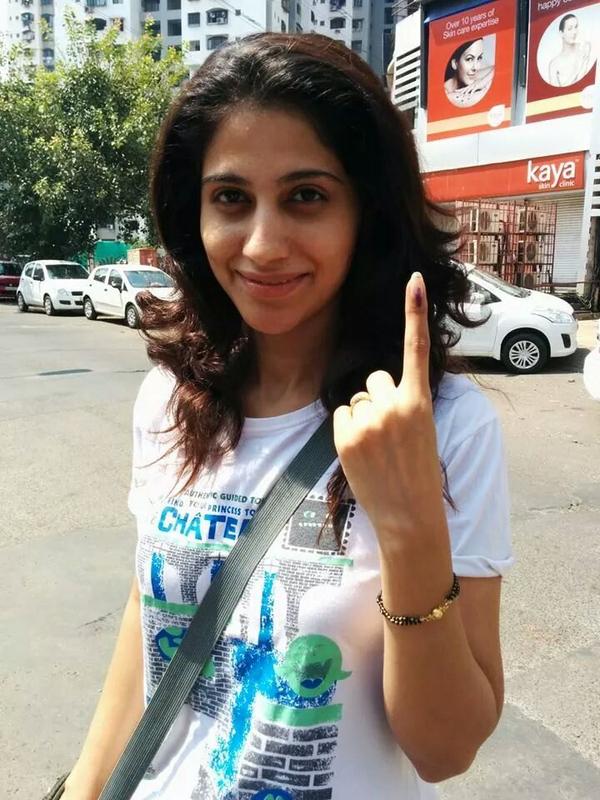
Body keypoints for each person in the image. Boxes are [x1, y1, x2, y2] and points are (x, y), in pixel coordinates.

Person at [62, 33, 512, 800]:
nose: (264, 245)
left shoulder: (445, 426)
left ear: (366, 213)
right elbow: (149, 632)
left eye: (306, 196)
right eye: (231, 199)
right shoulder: (171, 400)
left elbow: (444, 751)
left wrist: (409, 527)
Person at [444, 38, 495, 108]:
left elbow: (499, 67)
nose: (476, 67)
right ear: (455, 63)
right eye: (469, 59)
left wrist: (482, 82)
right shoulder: (446, 94)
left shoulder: (473, 77)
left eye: (479, 58)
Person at [548, 13, 592, 87]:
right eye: (569, 29)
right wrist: (575, 71)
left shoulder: (585, 47)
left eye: (576, 27)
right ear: (561, 33)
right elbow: (555, 92)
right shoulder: (554, 64)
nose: (574, 32)